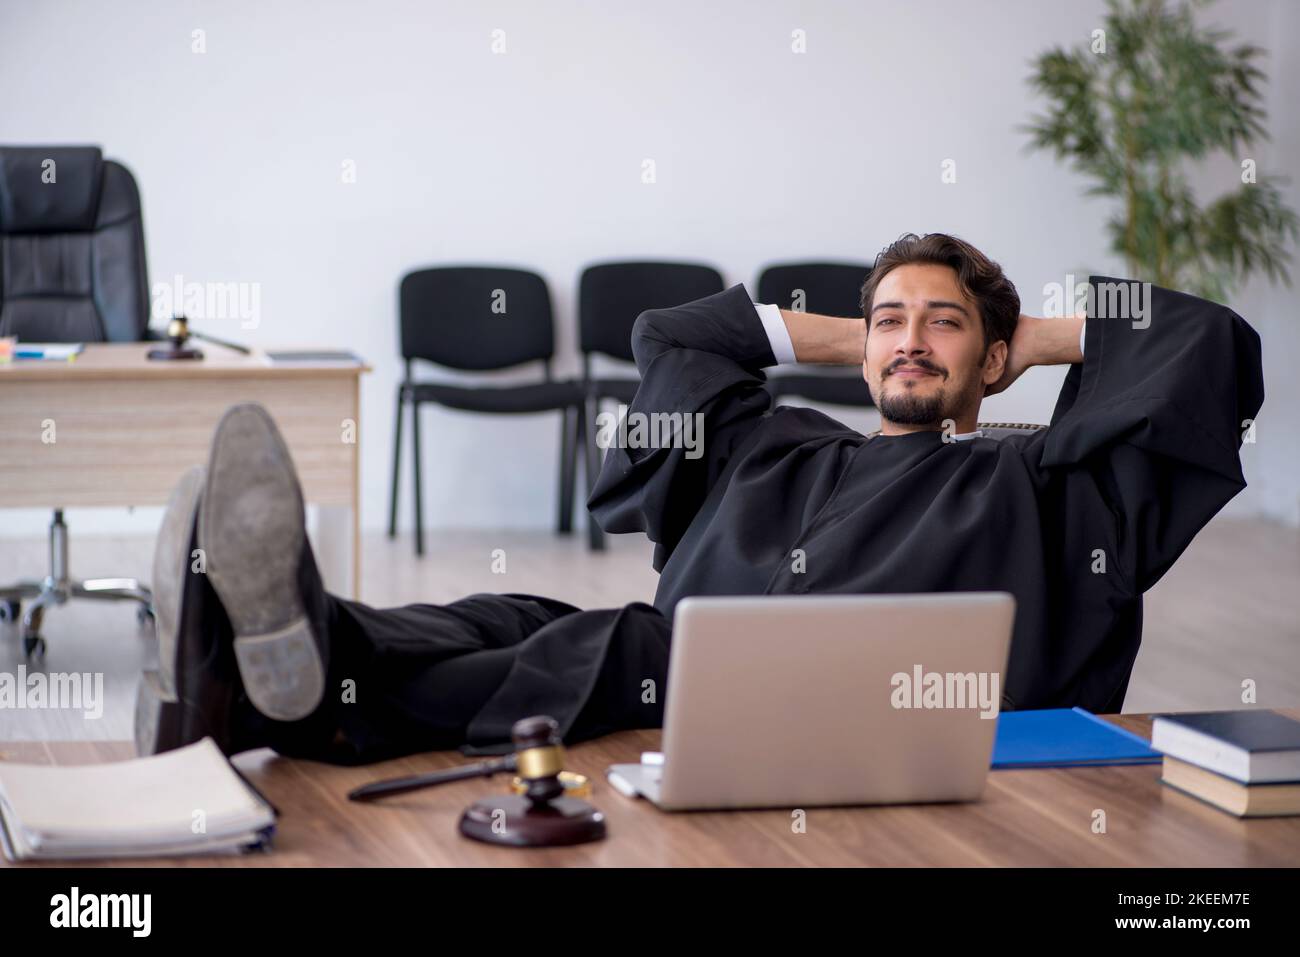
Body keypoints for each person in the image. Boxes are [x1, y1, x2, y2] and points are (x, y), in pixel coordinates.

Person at [135, 232, 1264, 765]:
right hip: (678, 652)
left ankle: (282, 693)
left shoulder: (1044, 482)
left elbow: (1207, 341)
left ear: (993, 358)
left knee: (603, 649)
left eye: (944, 324)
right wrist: (848, 333)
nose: (910, 339)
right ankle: (276, 645)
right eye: (889, 323)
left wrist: (1036, 341)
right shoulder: (780, 442)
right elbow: (669, 336)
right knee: (515, 619)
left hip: (797, 702)